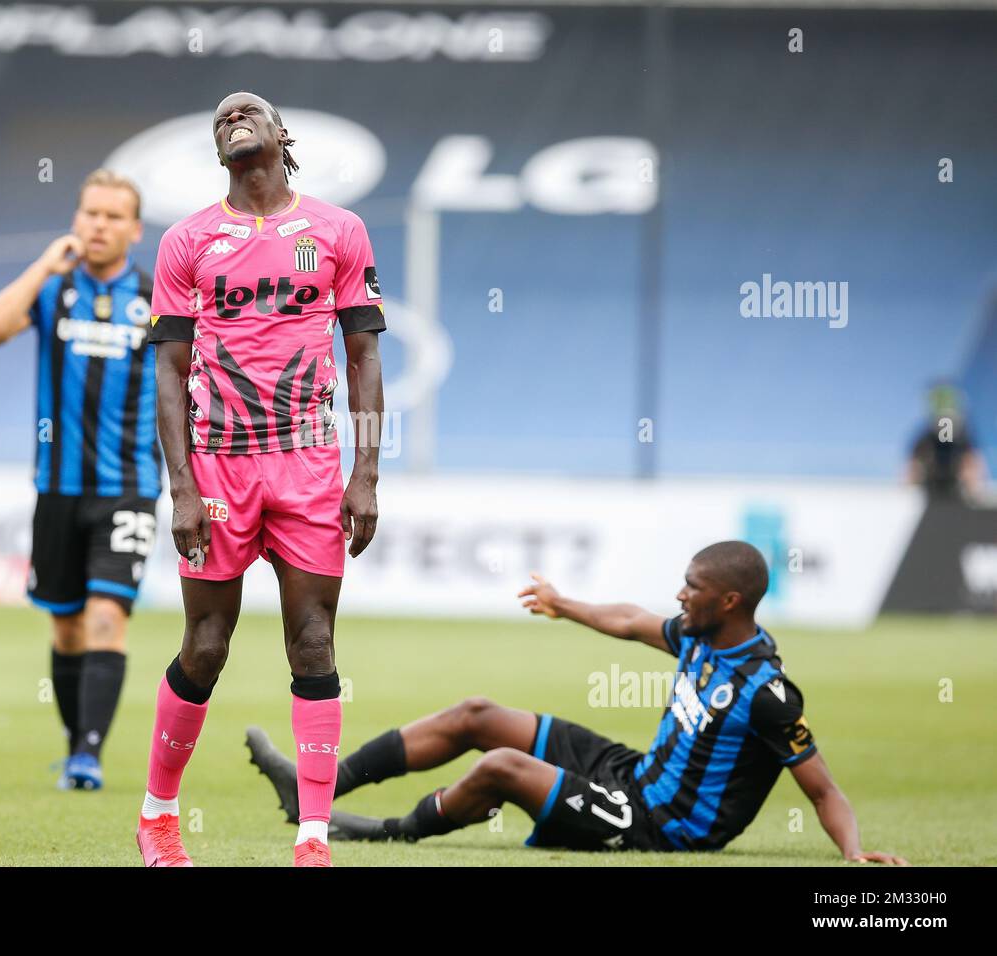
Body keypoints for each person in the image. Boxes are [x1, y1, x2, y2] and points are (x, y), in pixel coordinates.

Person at [246, 541, 907, 864]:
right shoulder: (701, 636)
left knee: (503, 765)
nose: (680, 595)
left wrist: (852, 856)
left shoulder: (767, 694)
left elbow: (822, 789)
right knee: (478, 714)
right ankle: (315, 793)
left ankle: (385, 832)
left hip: (663, 827)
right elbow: (628, 620)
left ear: (730, 601)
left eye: (692, 587)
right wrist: (565, 605)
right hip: (636, 775)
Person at [135, 91, 386, 867]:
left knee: (313, 644)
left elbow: (366, 357)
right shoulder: (186, 242)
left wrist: (366, 472)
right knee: (206, 645)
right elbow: (170, 371)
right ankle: (158, 816)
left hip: (310, 466)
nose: (232, 115)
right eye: (219, 118)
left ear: (282, 135)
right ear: (219, 151)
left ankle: (313, 838)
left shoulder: (339, 232)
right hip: (216, 465)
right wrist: (180, 487)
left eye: (248, 110)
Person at [0, 169, 160, 791]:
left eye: (112, 216)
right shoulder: (54, 289)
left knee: (109, 616)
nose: (98, 226)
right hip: (56, 487)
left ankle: (87, 756)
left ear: (134, 229)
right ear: (76, 219)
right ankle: (76, 741)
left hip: (129, 486)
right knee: (66, 623)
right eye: (90, 214)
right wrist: (42, 267)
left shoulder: (155, 296)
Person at [905, 382, 987, 501]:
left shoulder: (961, 440)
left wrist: (973, 486)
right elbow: (912, 470)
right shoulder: (926, 441)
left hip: (956, 495)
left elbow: (972, 467)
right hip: (932, 494)